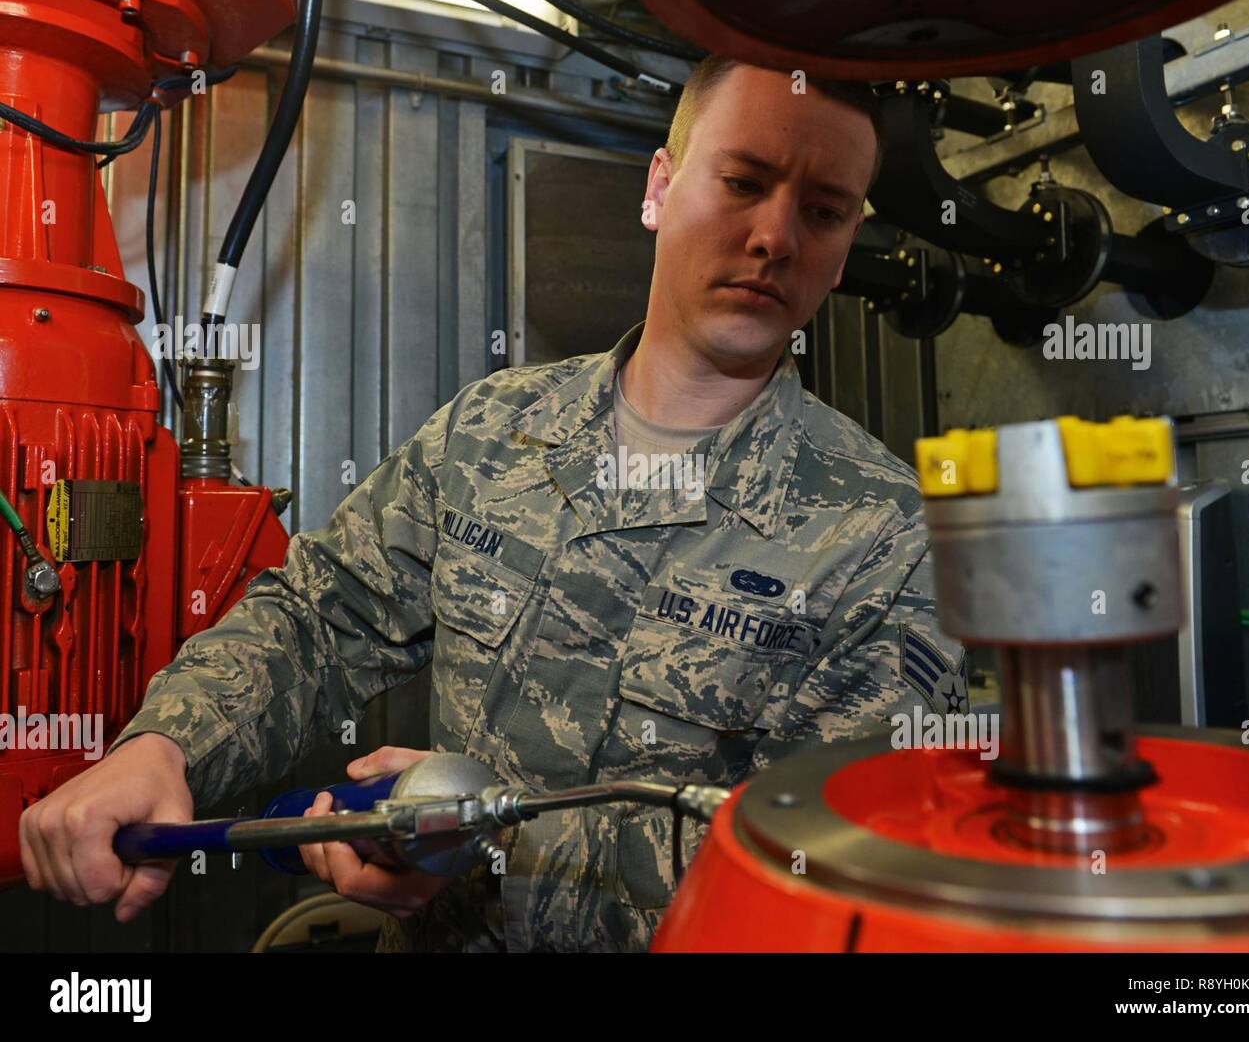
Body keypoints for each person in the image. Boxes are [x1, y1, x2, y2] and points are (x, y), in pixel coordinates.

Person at [19, 55, 967, 952]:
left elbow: (832, 873)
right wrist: (169, 747)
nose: (775, 236)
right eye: (743, 180)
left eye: (826, 210)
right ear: (658, 187)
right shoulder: (493, 430)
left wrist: (465, 834)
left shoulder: (886, 539)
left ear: (845, 251)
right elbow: (318, 615)